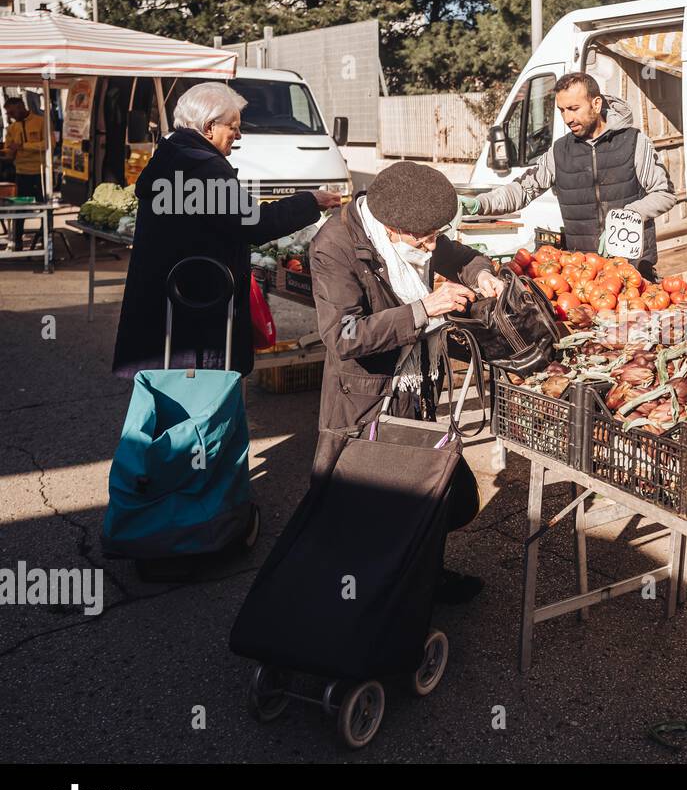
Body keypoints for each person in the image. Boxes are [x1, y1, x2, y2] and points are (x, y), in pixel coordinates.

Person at [310, 161, 503, 602]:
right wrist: (424, 310)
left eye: (436, 233)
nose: (432, 244)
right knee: (363, 506)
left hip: (415, 384)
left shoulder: (416, 231)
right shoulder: (335, 246)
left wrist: (481, 273)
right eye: (424, 237)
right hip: (365, 397)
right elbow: (344, 336)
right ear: (391, 225)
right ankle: (354, 600)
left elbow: (454, 253)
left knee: (427, 494)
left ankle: (423, 579)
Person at [112, 82, 339, 379]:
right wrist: (310, 201)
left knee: (169, 386)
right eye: (233, 127)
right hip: (195, 306)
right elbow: (255, 223)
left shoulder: (172, 155)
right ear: (208, 127)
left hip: (171, 300)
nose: (239, 135)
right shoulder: (202, 168)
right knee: (199, 394)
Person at [463, 72, 676, 279]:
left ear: (596, 104)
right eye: (562, 110)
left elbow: (665, 193)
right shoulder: (559, 151)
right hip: (585, 271)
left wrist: (625, 218)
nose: (568, 118)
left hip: (635, 268)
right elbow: (522, 189)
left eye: (574, 109)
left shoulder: (634, 141)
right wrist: (478, 205)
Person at [1, 95, 48, 251]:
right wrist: (6, 153)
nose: (9, 116)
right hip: (21, 173)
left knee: (44, 208)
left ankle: (46, 238)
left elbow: (48, 144)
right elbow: (9, 151)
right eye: (8, 113)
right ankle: (17, 240)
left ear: (21, 107)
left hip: (40, 173)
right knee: (19, 208)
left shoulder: (41, 122)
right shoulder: (11, 128)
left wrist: (23, 146)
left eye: (11, 112)